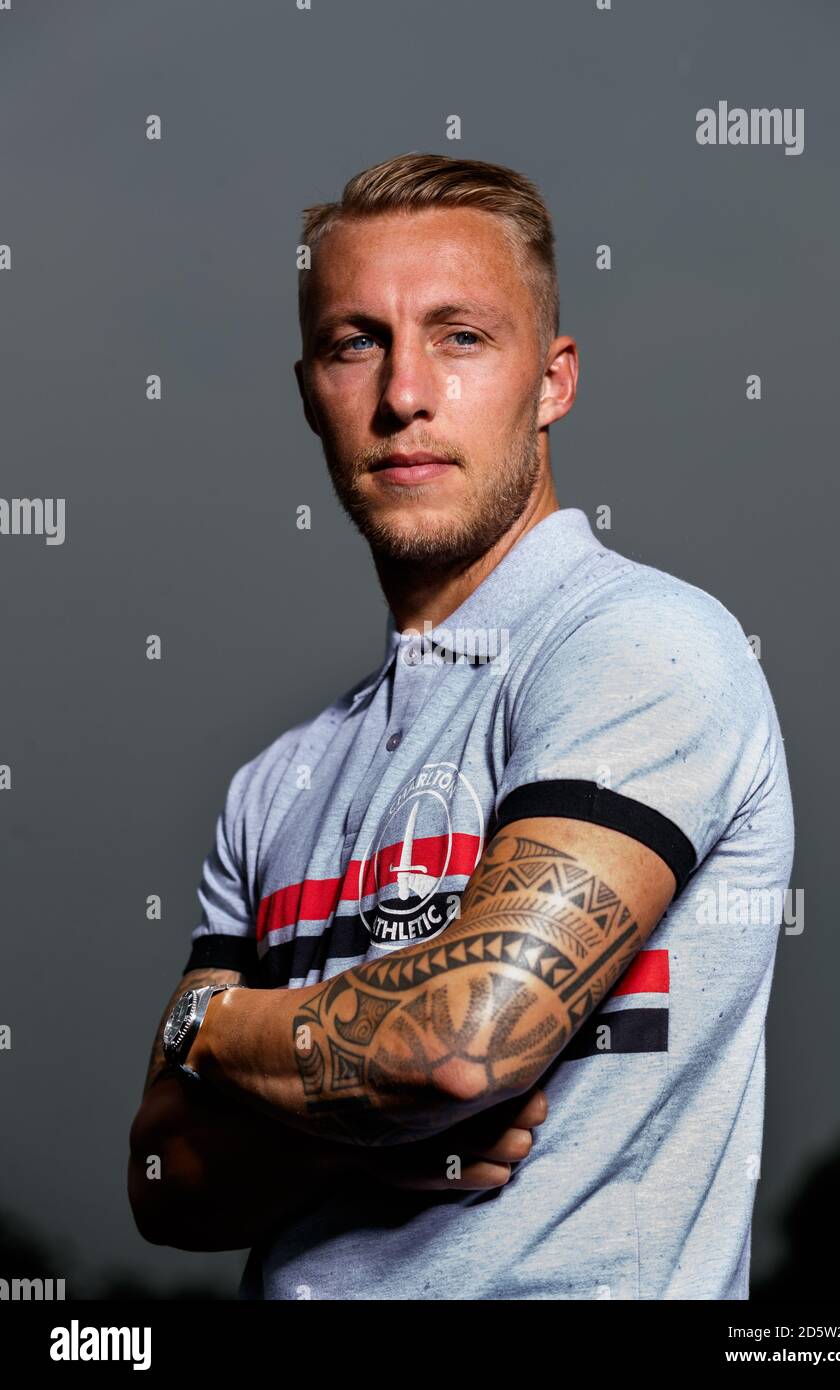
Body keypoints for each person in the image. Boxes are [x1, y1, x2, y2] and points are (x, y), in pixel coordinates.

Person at [128, 151, 795, 1300]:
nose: (403, 395)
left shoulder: (641, 645)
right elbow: (160, 1180)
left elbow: (457, 1047)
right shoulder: (275, 785)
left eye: (461, 336)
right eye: (356, 343)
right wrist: (352, 1131)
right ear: (308, 393)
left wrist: (207, 1023)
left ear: (553, 379)